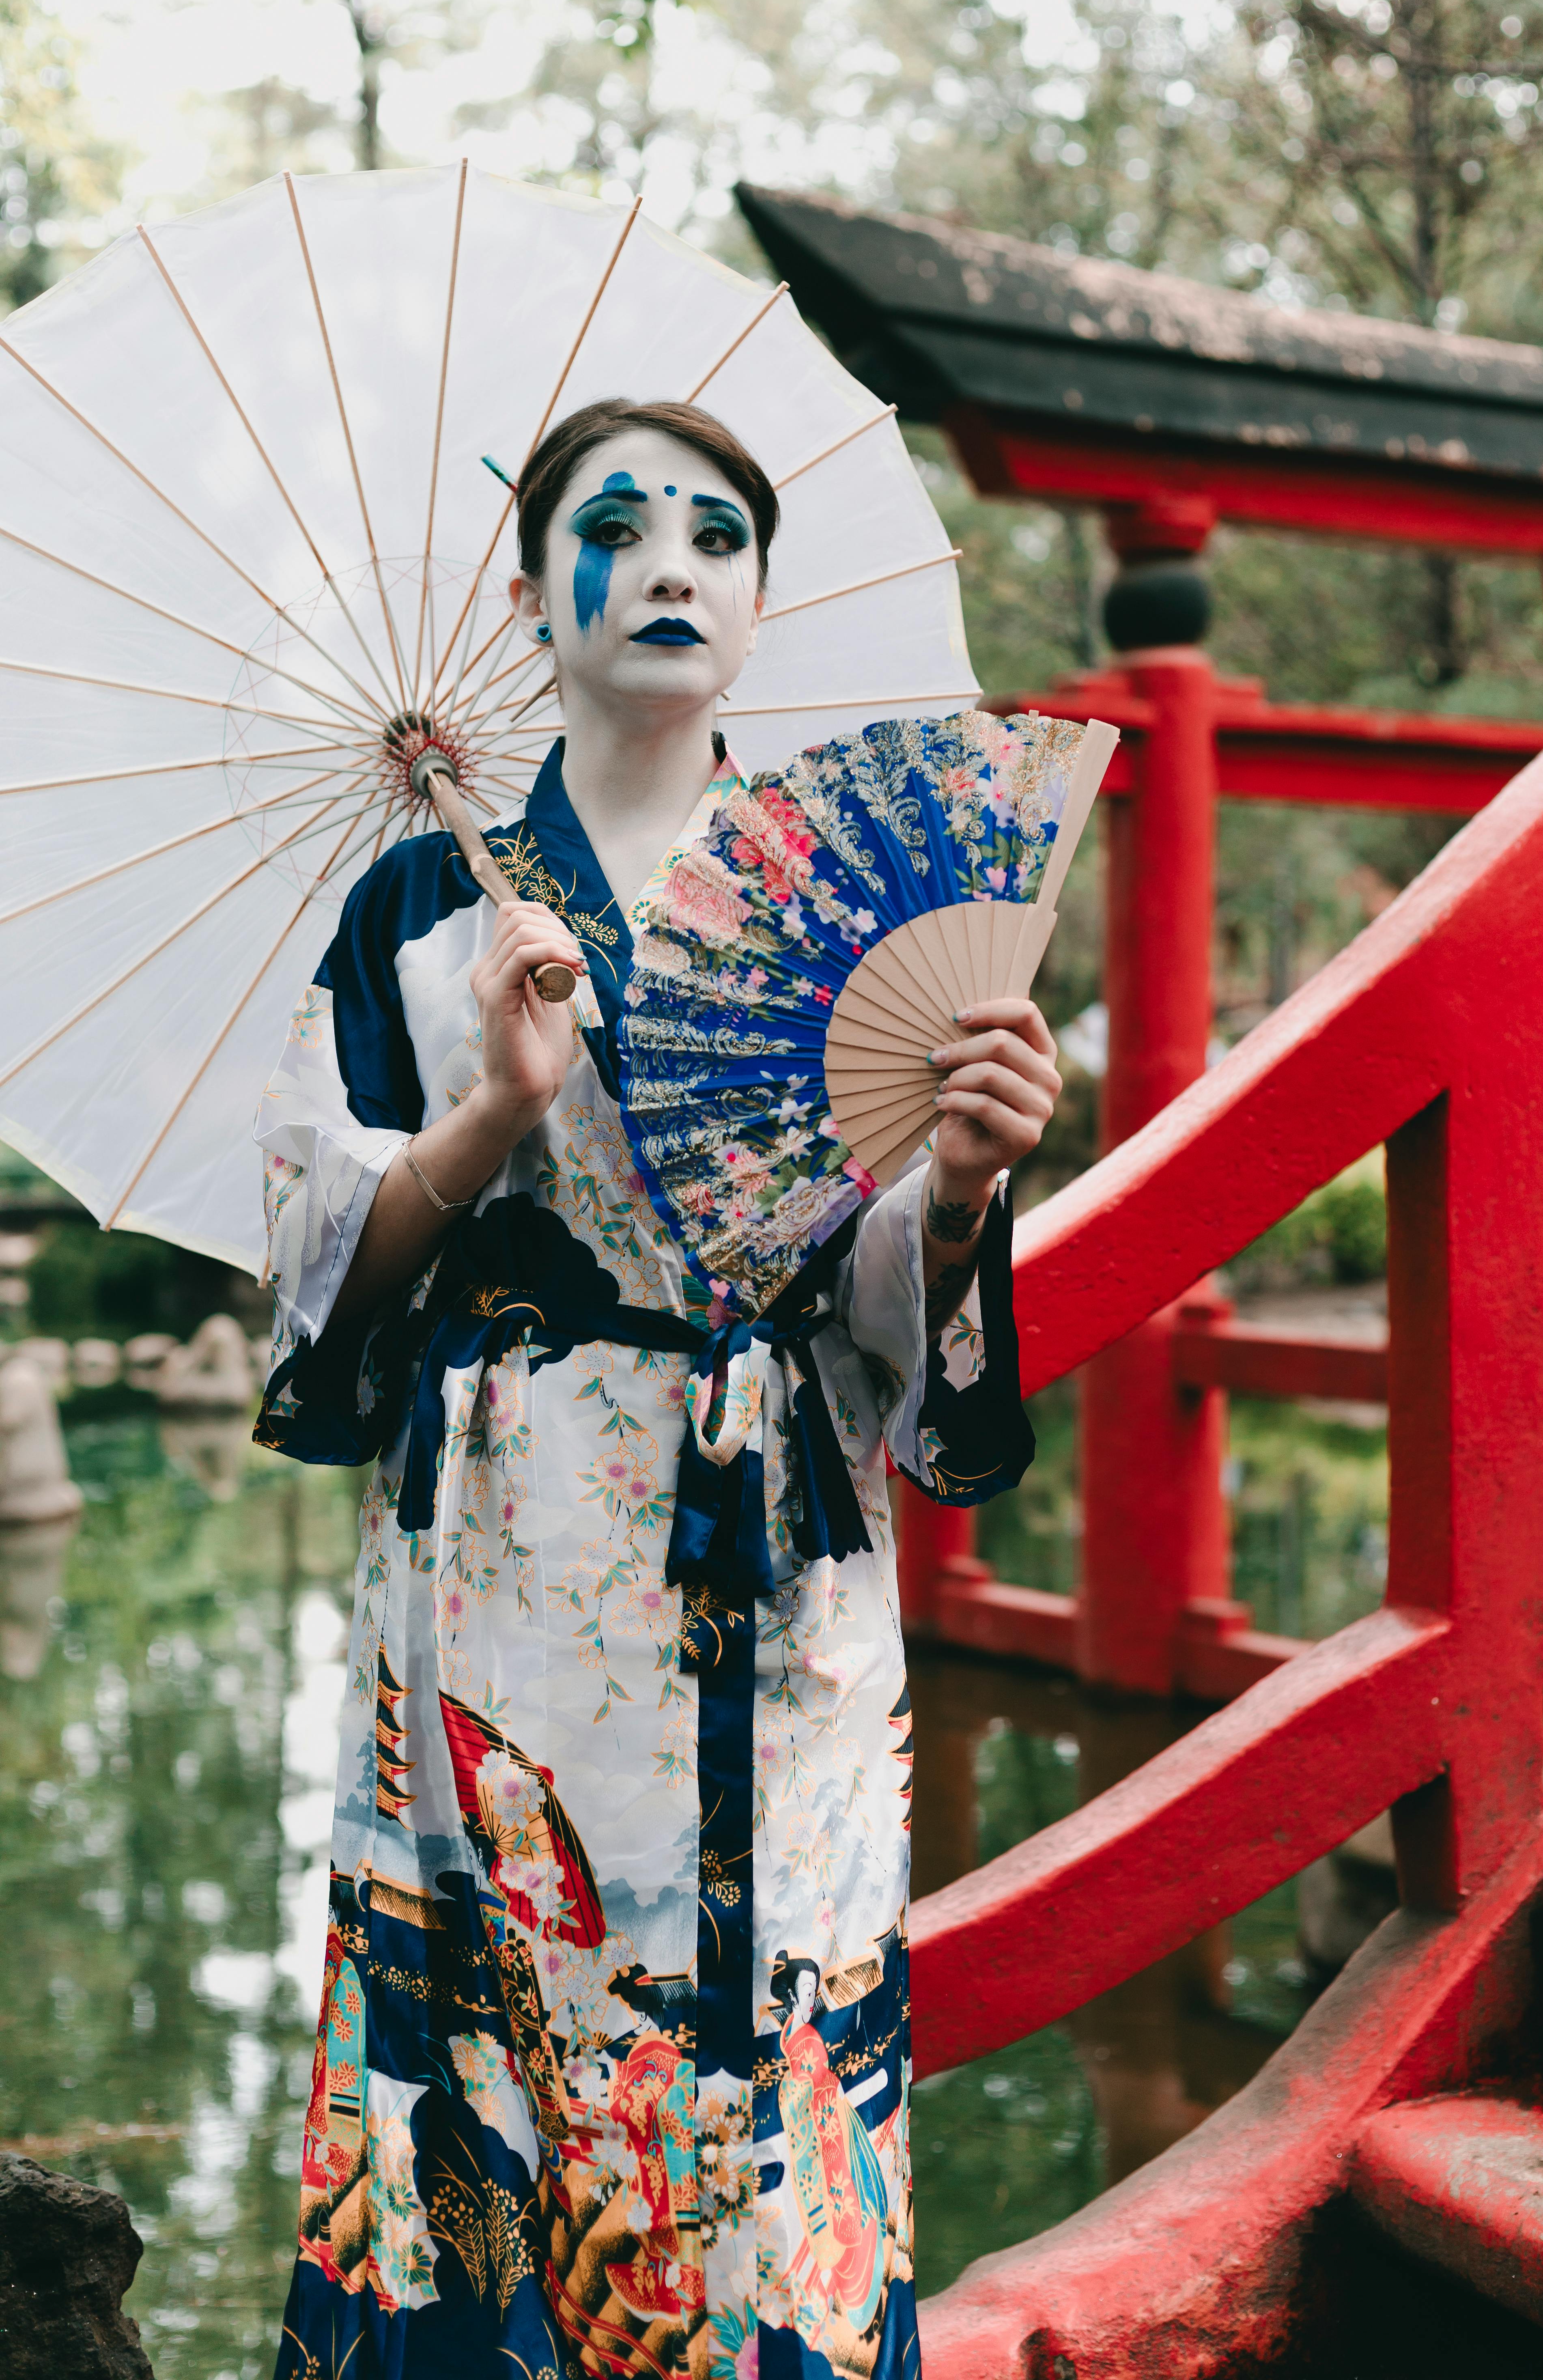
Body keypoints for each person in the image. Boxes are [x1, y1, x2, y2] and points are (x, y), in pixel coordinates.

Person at [257, 395, 1060, 2380]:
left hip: (776, 1552)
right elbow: (319, 1308)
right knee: (499, 2006)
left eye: (717, 531)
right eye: (610, 526)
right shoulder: (417, 915)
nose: (671, 559)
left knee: (776, 1997)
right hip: (508, 1554)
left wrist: (960, 1190)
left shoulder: (850, 903)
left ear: (766, 603)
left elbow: (888, 1323)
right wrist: (485, 1118)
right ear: (530, 596)